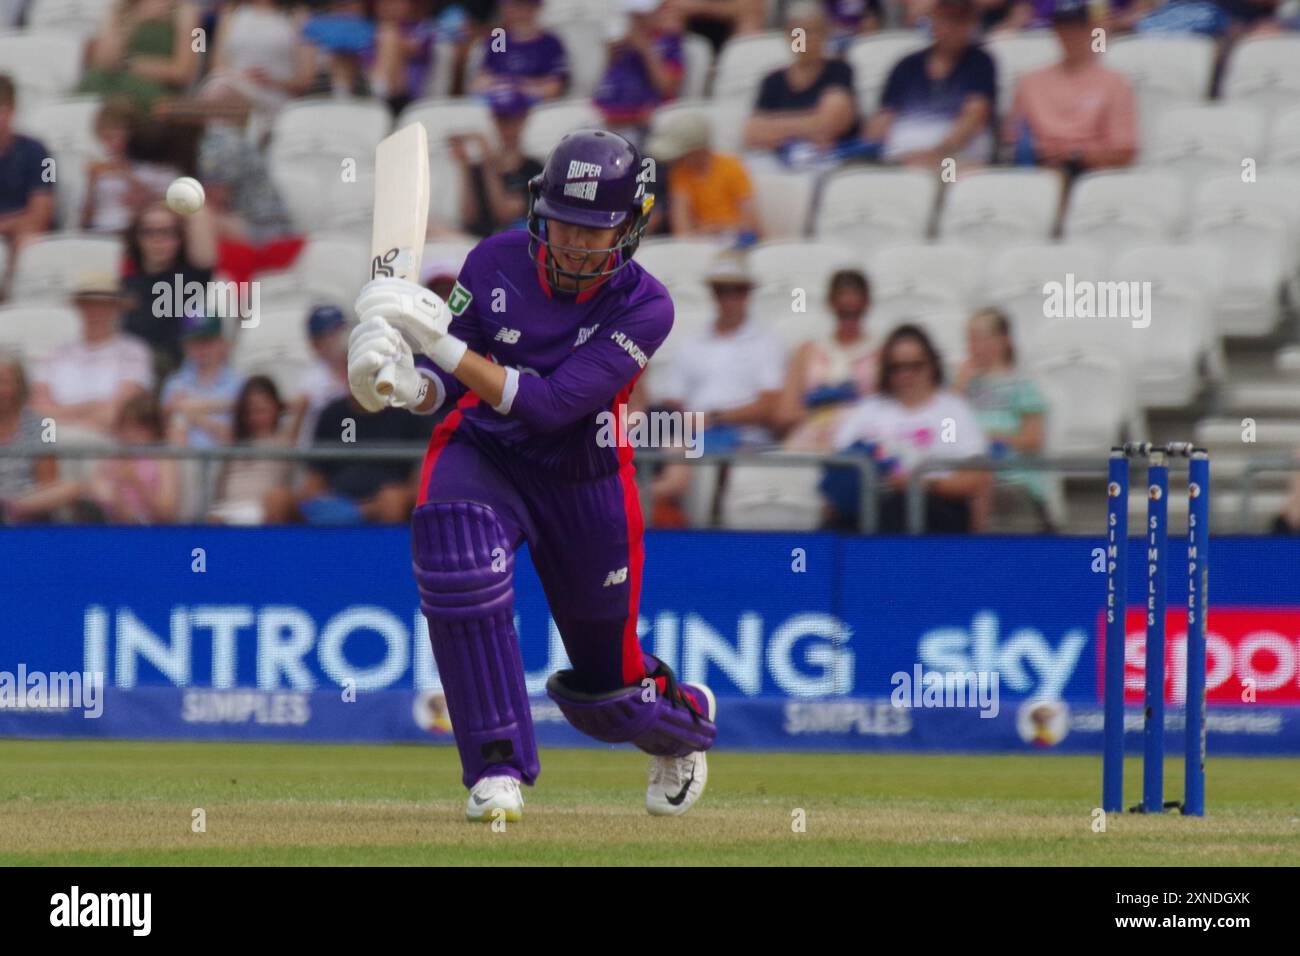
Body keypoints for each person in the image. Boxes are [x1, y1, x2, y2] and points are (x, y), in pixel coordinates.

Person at [345, 129, 717, 822]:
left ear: (631, 228)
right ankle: (496, 770)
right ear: (539, 211)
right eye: (563, 225)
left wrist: (437, 344)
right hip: (486, 453)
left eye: (594, 231)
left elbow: (549, 407)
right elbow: (447, 391)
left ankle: (685, 725)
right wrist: (398, 383)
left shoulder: (646, 306)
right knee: (456, 561)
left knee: (608, 698)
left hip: (584, 479)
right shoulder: (493, 262)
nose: (574, 244)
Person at [830, 323, 990, 532]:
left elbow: (976, 479)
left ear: (931, 364)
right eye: (896, 368)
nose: (905, 375)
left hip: (936, 508)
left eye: (914, 366)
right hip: (872, 505)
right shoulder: (868, 410)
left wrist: (920, 484)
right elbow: (840, 465)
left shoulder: (953, 411)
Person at [1003, 0, 1138, 172]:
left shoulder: (1115, 82)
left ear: (1091, 29)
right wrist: (1034, 149)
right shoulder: (1029, 81)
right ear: (1055, 31)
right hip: (1039, 168)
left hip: (1091, 171)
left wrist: (1076, 154)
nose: (1071, 34)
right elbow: (1011, 138)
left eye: (1078, 27)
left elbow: (1125, 151)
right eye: (1064, 27)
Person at [8, 393, 179, 524]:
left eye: (138, 428)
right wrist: (103, 488)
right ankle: (15, 505)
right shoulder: (116, 455)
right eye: (126, 427)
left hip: (142, 522)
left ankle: (14, 508)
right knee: (74, 487)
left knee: (77, 488)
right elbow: (99, 485)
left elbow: (166, 512)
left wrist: (134, 481)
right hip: (104, 512)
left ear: (154, 430)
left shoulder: (163, 458)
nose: (130, 434)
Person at [952, 307, 1051, 531]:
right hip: (967, 479)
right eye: (970, 338)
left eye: (980, 338)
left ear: (1003, 341)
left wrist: (991, 438)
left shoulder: (1023, 386)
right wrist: (957, 391)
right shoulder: (961, 388)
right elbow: (946, 435)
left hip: (1010, 479)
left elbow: (1033, 439)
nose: (973, 346)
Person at [865, 0, 997, 166]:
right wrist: (870, 150)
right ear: (934, 20)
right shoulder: (906, 66)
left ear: (971, 24)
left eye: (961, 21)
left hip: (954, 161)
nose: (953, 28)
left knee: (950, 178)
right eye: (946, 19)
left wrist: (935, 153)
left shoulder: (981, 63)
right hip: (902, 161)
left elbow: (974, 118)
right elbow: (883, 120)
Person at [30, 275, 154, 439]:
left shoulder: (133, 352)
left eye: (104, 306)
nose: (95, 312)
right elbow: (38, 409)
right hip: (53, 439)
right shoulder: (56, 353)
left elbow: (121, 411)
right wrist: (91, 407)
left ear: (117, 310)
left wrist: (63, 415)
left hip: (107, 443)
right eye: (88, 305)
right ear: (80, 309)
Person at [743, 2, 859, 162]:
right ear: (787, 35)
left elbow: (829, 125)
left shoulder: (839, 71)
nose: (805, 40)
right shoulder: (772, 80)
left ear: (825, 34)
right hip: (782, 164)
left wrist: (774, 126)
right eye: (799, 33)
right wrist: (811, 123)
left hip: (830, 161)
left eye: (812, 32)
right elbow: (752, 133)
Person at [778, 268, 877, 452]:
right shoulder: (806, 352)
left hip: (859, 442)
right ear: (830, 304)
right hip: (810, 441)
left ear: (867, 304)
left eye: (854, 311)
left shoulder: (879, 354)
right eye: (843, 310)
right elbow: (785, 414)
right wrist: (821, 411)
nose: (848, 316)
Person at [120, 200, 218, 379]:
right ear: (137, 238)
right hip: (128, 371)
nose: (157, 240)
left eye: (166, 232)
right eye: (148, 232)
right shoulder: (125, 285)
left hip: (172, 370)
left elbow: (199, 212)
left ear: (179, 239)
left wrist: (164, 202)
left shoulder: (189, 279)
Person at [646, 110, 759, 241]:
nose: (677, 160)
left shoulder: (731, 167)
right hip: (701, 241)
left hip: (737, 239)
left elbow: (752, 223)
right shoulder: (680, 173)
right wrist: (700, 233)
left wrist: (721, 228)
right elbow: (682, 230)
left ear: (698, 151)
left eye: (683, 155)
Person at [451, 85, 543, 237]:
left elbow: (506, 214)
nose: (505, 127)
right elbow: (469, 217)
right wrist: (464, 166)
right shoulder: (478, 167)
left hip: (512, 241)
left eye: (511, 120)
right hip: (476, 241)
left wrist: (489, 165)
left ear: (523, 119)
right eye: (500, 119)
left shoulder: (534, 169)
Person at [79, 0, 202, 113]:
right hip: (110, 81)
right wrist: (136, 20)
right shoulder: (120, 7)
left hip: (154, 91)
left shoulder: (187, 11)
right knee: (92, 85)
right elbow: (103, 60)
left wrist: (128, 64)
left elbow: (183, 72)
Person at [209, 375, 300, 525]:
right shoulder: (232, 439)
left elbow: (303, 402)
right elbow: (188, 410)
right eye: (250, 411)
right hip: (228, 511)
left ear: (276, 407)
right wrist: (238, 405)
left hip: (264, 511)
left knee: (278, 498)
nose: (255, 416)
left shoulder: (285, 439)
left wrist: (277, 405)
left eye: (262, 410)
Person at [593, 0, 687, 144]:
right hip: (606, 119)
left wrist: (645, 49)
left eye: (640, 15)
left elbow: (667, 87)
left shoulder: (669, 41)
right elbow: (603, 85)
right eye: (633, 16)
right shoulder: (621, 43)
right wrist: (611, 55)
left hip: (641, 125)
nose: (636, 20)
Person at [160, 312, 243, 448]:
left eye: (208, 341)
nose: (202, 349)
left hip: (225, 461)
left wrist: (191, 413)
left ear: (222, 343)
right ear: (185, 346)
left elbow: (237, 437)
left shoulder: (239, 385)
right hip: (184, 462)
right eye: (196, 342)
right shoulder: (174, 384)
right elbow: (164, 431)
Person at [0, 75, 56, 275]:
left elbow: (42, 214)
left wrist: (6, 226)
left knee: (28, 242)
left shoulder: (41, 153)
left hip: (24, 238)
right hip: (13, 229)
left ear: (12, 111)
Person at [468, 0, 568, 103]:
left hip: (535, 106)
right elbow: (480, 82)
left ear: (536, 7)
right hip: (499, 101)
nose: (517, 11)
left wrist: (521, 87)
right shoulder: (498, 38)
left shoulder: (549, 43)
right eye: (511, 5)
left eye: (524, 5)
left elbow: (554, 88)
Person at [0, 352, 59, 525]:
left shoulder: (46, 425)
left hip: (28, 510)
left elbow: (48, 483)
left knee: (73, 488)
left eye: (5, 382)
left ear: (20, 386)